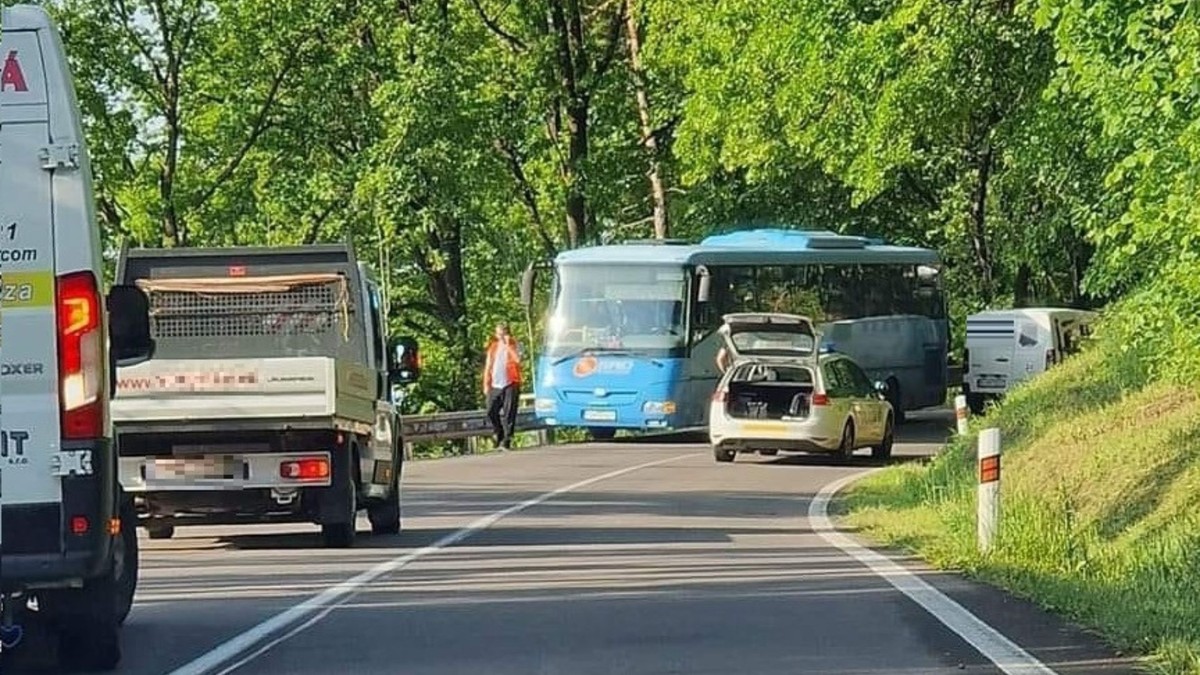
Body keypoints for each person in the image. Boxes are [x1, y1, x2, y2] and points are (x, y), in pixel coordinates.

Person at [483, 322, 522, 449]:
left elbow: (518, 360)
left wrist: (508, 345)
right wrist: (486, 384)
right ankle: (498, 431)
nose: (501, 336)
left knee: (509, 413)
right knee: (490, 411)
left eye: (503, 333)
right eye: (499, 334)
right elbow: (488, 366)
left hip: (511, 382)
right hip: (495, 384)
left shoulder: (515, 345)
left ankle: (507, 439)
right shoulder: (493, 347)